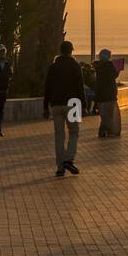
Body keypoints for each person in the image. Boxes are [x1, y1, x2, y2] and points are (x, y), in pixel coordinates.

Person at [43, 41, 85, 177]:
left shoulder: (53, 67)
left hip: (56, 105)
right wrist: (83, 105)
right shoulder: (75, 66)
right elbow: (80, 87)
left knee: (59, 137)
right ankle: (69, 159)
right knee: (74, 132)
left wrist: (45, 106)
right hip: (72, 104)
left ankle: (60, 167)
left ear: (60, 51)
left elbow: (47, 88)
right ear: (71, 51)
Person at [94, 48, 121, 137]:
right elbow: (114, 75)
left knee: (104, 116)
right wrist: (118, 68)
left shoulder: (97, 66)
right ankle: (105, 131)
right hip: (109, 94)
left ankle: (105, 131)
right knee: (109, 116)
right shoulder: (109, 66)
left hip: (100, 95)